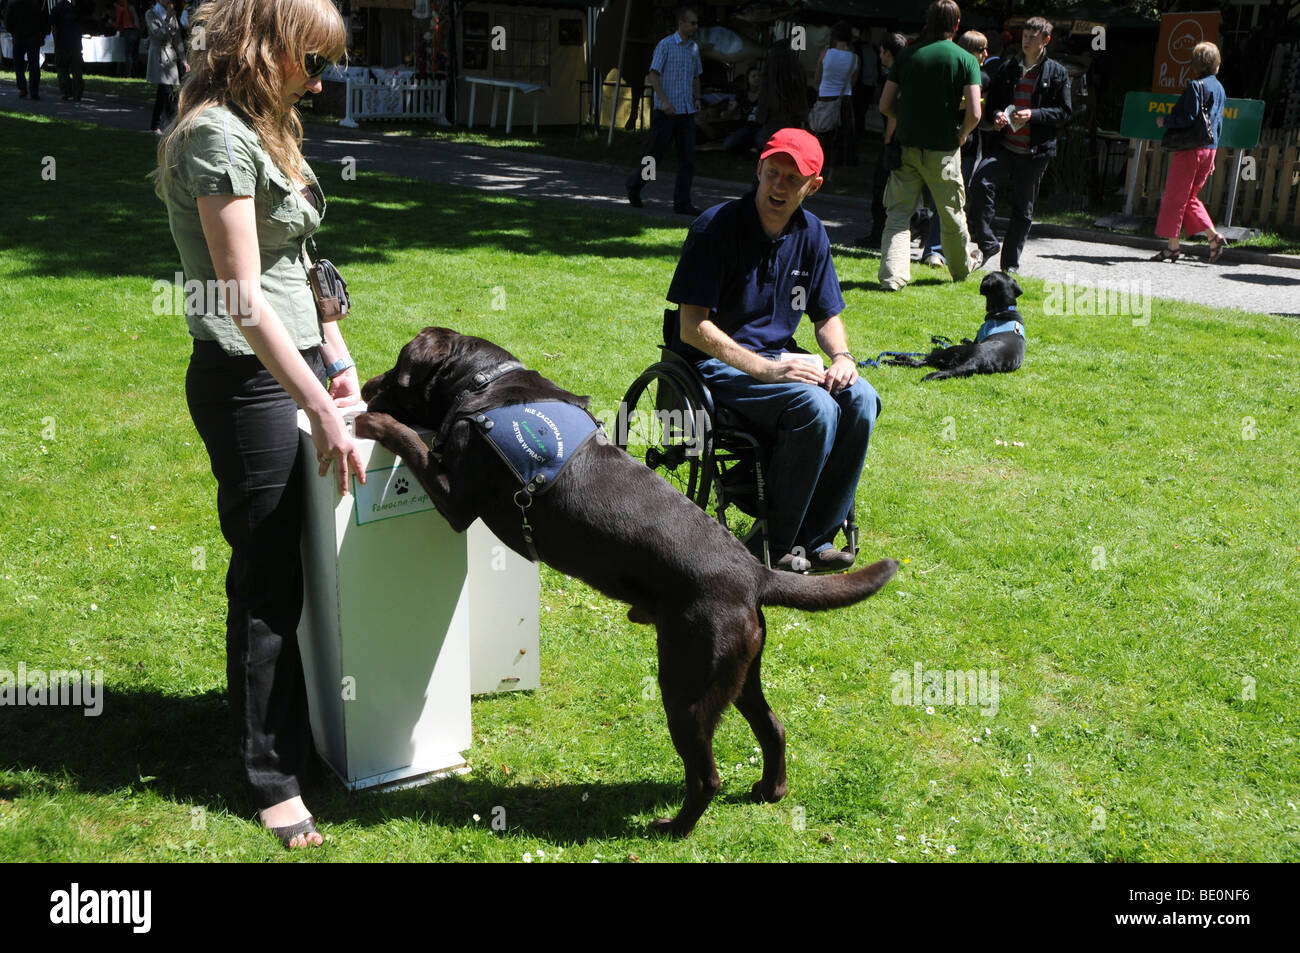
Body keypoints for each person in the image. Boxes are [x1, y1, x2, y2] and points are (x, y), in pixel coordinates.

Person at [153, 0, 363, 850]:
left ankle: (305, 729)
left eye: (326, 65)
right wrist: (316, 403)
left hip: (298, 360)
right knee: (271, 575)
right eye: (311, 61)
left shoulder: (271, 123)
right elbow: (241, 299)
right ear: (266, 46)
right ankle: (272, 776)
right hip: (249, 381)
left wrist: (336, 353)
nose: (320, 81)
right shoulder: (214, 136)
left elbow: (299, 258)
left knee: (311, 556)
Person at [666, 128, 880, 573]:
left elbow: (827, 316)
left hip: (777, 357)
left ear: (813, 186)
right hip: (716, 363)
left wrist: (842, 357)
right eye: (772, 173)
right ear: (758, 171)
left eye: (791, 178)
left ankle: (817, 538)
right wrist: (764, 369)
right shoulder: (715, 227)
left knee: (860, 398)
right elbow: (692, 326)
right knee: (815, 407)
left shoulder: (813, 234)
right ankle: (774, 542)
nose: (778, 186)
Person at [877, 0, 981, 291]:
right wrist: (962, 133)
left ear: (928, 21)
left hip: (906, 148)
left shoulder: (907, 55)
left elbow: (885, 104)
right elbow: (974, 113)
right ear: (957, 25)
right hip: (944, 151)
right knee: (951, 213)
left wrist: (907, 119)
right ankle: (961, 270)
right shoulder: (965, 59)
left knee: (898, 214)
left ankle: (892, 277)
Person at [967, 16, 1072, 273]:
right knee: (980, 183)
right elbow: (991, 108)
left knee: (1022, 210)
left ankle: (1009, 267)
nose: (1026, 41)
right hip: (1005, 145)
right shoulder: (1007, 68)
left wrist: (1033, 115)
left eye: (1032, 37)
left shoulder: (1057, 72)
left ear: (1045, 40)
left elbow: (1064, 112)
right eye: (1024, 36)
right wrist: (997, 117)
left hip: (1034, 151)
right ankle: (988, 242)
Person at [1152, 41, 1228, 263]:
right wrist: (1213, 154)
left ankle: (1173, 248)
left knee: (1174, 197)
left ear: (1195, 63)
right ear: (1216, 63)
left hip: (1190, 150)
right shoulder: (1220, 88)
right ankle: (1213, 237)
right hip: (1209, 150)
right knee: (1189, 197)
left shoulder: (1196, 86)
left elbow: (1188, 118)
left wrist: (1164, 120)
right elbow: (1218, 124)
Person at [625, 5, 703, 216]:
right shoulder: (666, 45)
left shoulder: (694, 49)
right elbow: (653, 75)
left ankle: (682, 203)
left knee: (688, 159)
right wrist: (665, 101)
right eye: (692, 23)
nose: (695, 27)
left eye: (696, 23)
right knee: (656, 156)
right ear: (682, 23)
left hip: (686, 112)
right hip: (666, 112)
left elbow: (696, 76)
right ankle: (635, 184)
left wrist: (697, 98)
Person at [922, 30, 989, 267]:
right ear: (968, 51)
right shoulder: (961, 75)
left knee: (952, 201)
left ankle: (940, 249)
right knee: (944, 200)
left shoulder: (982, 77)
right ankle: (935, 250)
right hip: (949, 144)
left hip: (968, 147)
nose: (985, 55)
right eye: (981, 50)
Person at [859, 31, 907, 249]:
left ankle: (878, 234)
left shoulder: (895, 76)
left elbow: (891, 115)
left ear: (887, 52)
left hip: (895, 141)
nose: (880, 56)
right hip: (906, 139)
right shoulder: (907, 72)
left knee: (882, 187)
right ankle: (918, 224)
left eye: (881, 51)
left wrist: (888, 142)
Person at [812, 21, 859, 173]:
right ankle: (834, 172)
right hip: (844, 100)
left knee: (821, 135)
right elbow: (853, 81)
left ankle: (816, 167)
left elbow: (817, 78)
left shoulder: (826, 53)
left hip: (825, 97)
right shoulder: (855, 58)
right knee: (839, 139)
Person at [755, 37, 809, 144]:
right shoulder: (797, 74)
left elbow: (763, 101)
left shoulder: (770, 74)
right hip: (792, 122)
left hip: (773, 123)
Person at [146, 0, 185, 132]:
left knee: (162, 93)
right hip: (158, 56)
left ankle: (155, 125)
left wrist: (184, 60)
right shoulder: (151, 14)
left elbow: (177, 39)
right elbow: (159, 35)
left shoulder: (172, 15)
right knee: (167, 91)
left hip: (170, 57)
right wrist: (167, 19)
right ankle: (175, 124)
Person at [5, 0, 49, 100]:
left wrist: (14, 32)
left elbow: (8, 23)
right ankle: (34, 90)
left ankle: (22, 87)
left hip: (19, 38)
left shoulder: (13, 4)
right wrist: (41, 36)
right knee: (34, 65)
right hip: (33, 39)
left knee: (18, 65)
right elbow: (42, 22)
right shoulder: (34, 4)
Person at [51, 0, 84, 102]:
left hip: (62, 43)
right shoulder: (75, 9)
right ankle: (77, 93)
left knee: (62, 69)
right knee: (77, 70)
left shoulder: (56, 9)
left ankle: (66, 92)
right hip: (75, 44)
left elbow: (53, 26)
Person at [114, 0, 140, 78]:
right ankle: (135, 74)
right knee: (135, 54)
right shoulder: (133, 7)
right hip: (136, 32)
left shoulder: (121, 7)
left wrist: (115, 26)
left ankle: (128, 74)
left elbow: (119, 21)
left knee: (128, 54)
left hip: (128, 31)